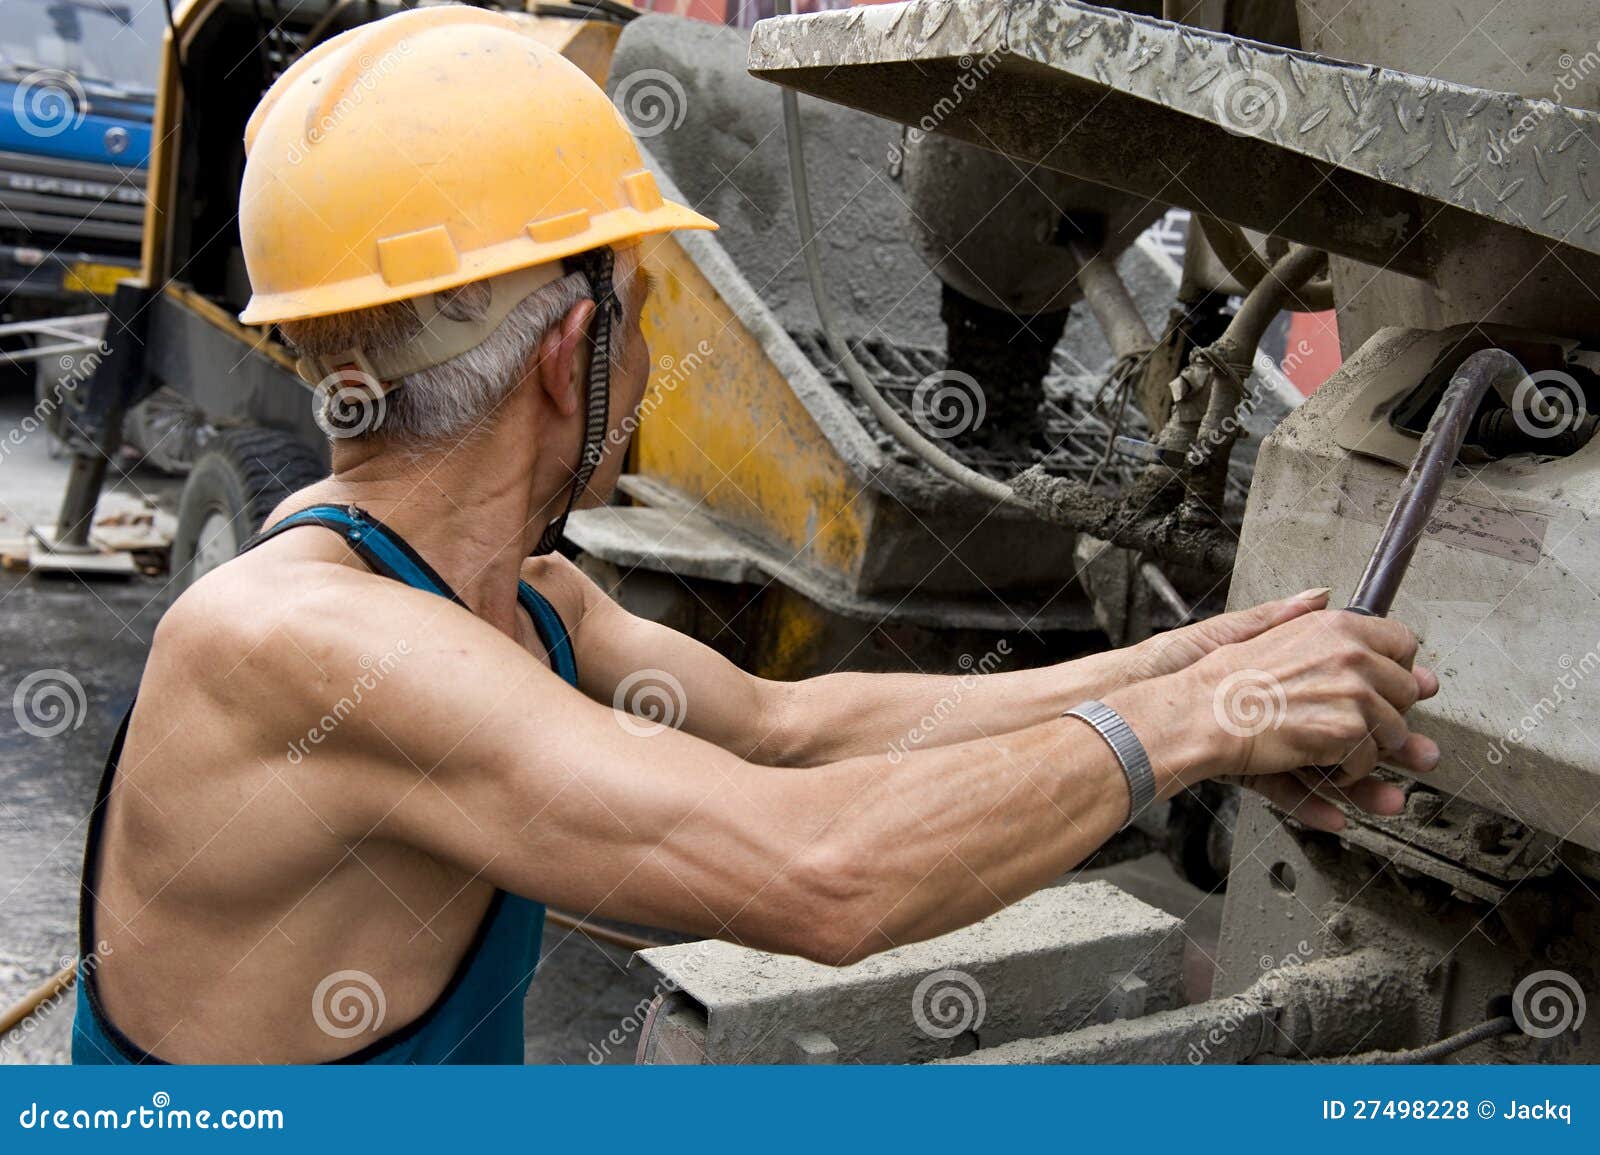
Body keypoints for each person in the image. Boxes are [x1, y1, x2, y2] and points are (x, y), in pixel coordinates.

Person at [72, 6, 1437, 1065]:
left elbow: (802, 732)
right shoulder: (306, 645)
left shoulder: (522, 600)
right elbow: (818, 872)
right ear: (571, 355)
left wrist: (1204, 665)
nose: (654, 360)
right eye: (642, 309)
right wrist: (1192, 728)